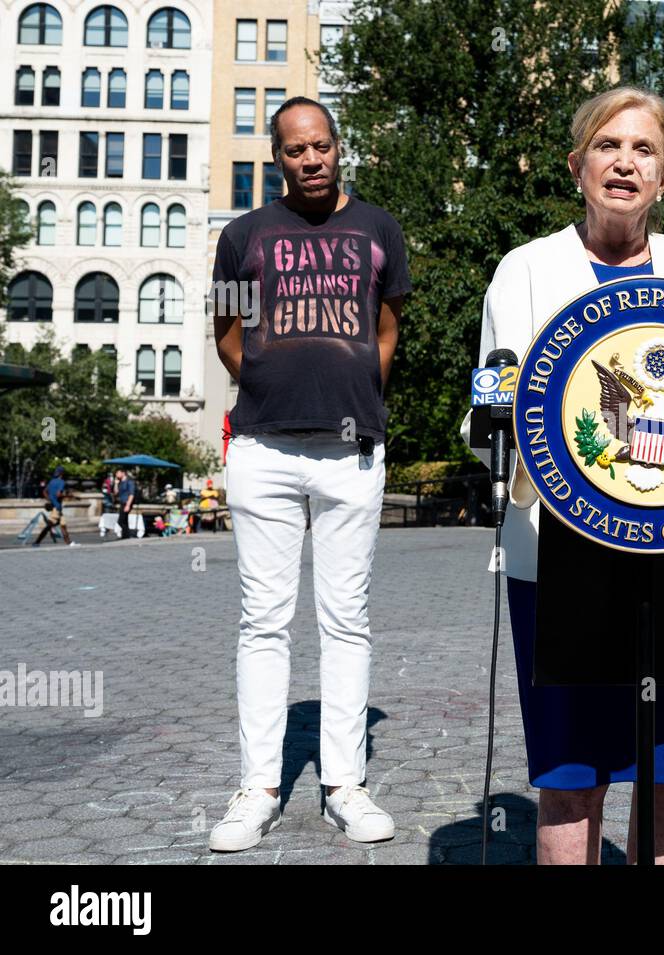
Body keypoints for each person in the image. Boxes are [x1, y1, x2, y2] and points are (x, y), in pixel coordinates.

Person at [462, 86, 664, 865]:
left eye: (644, 149)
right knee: (571, 773)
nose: (625, 162)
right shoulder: (523, 271)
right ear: (577, 164)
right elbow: (486, 410)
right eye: (608, 146)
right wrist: (505, 420)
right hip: (559, 561)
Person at [208, 96, 411, 852]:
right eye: (296, 150)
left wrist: (356, 386)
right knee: (263, 620)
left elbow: (388, 326)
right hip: (261, 448)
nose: (311, 159)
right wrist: (269, 381)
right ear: (277, 159)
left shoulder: (379, 228)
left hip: (352, 451)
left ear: (338, 147)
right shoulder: (242, 235)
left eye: (321, 145)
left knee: (346, 620)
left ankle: (343, 784)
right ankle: (258, 786)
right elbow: (228, 334)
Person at [115, 469, 136, 540]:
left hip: (126, 502)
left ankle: (126, 534)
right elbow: (116, 493)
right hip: (121, 502)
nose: (116, 475)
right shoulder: (120, 482)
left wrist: (128, 505)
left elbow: (131, 494)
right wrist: (116, 484)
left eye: (118, 473)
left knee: (121, 520)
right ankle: (125, 536)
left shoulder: (129, 482)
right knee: (124, 520)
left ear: (123, 473)